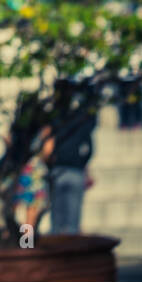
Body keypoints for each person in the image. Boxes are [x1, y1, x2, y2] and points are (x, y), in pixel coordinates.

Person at [45, 79, 99, 235]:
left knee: (55, 219)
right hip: (74, 168)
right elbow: (88, 147)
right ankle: (26, 246)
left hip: (58, 169)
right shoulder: (79, 118)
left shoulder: (54, 118)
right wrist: (82, 164)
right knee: (72, 220)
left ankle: (26, 246)